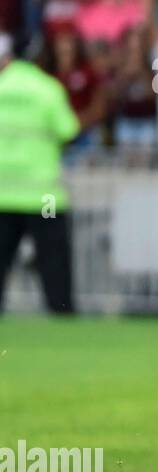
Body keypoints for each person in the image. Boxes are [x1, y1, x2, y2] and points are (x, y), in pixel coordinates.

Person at [0, 32, 79, 314]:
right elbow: (68, 130)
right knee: (54, 270)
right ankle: (62, 324)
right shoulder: (48, 89)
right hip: (42, 194)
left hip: (2, 194)